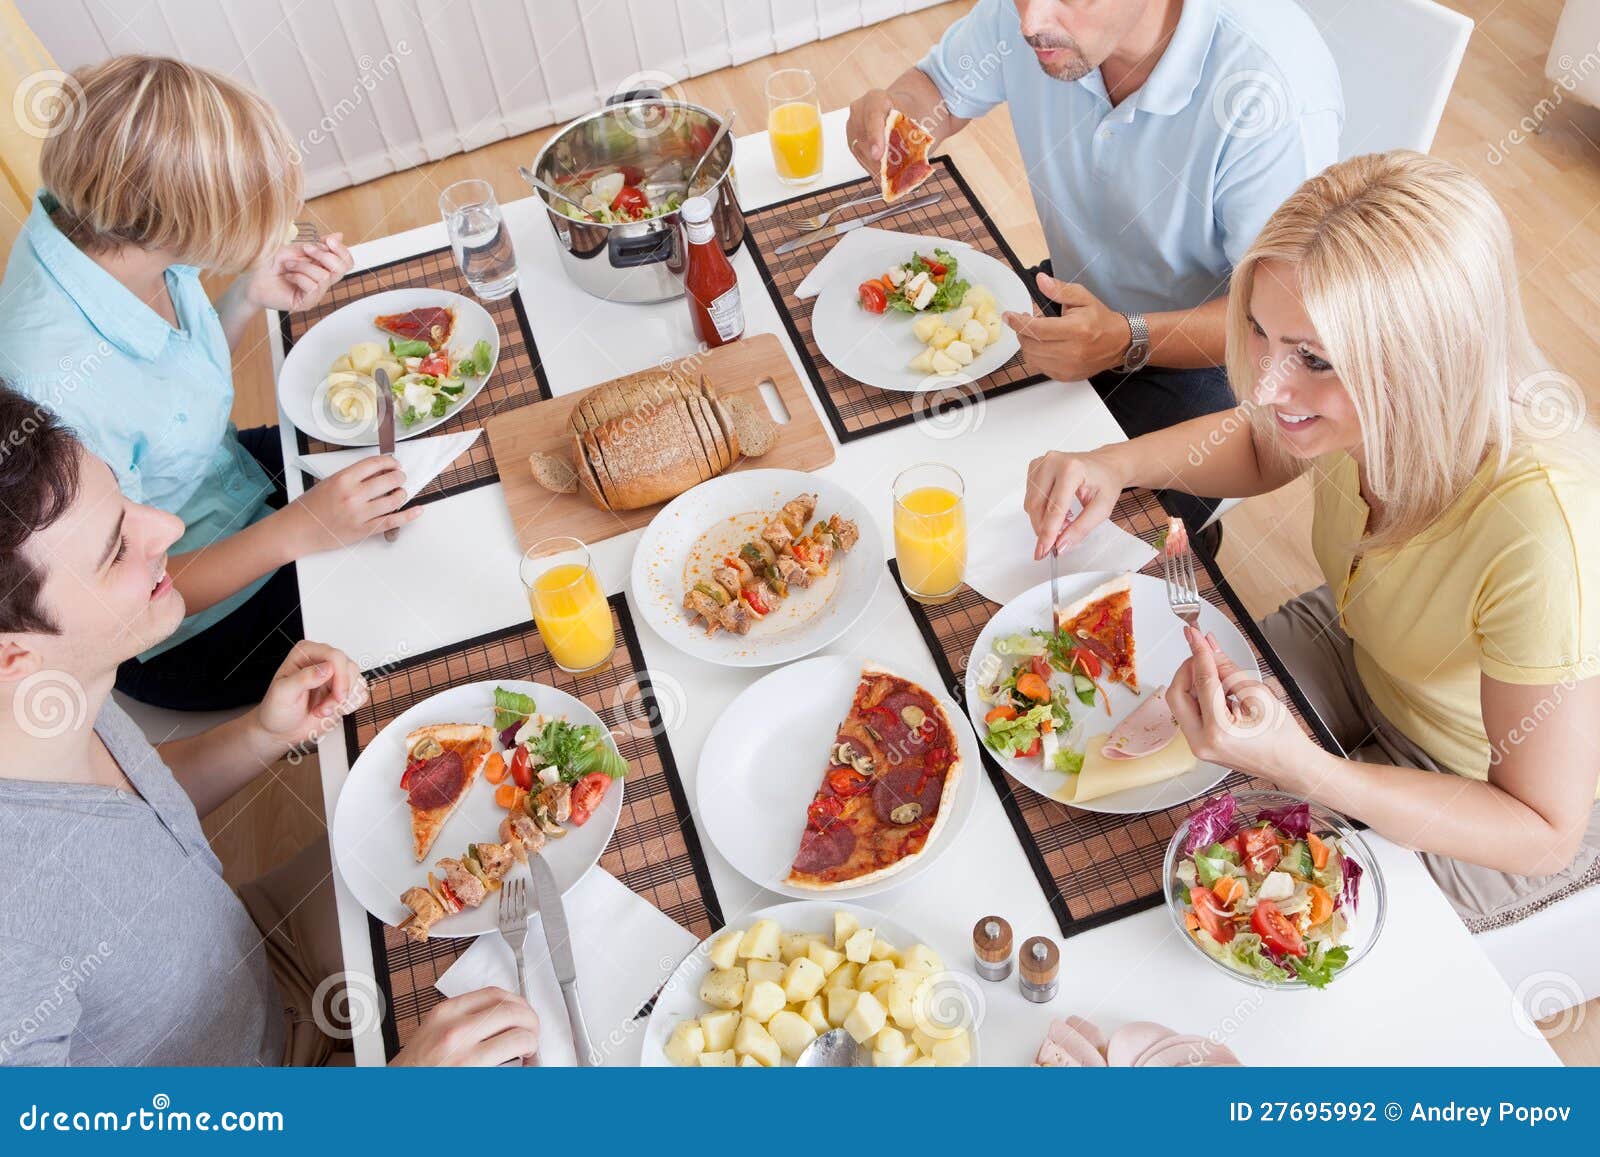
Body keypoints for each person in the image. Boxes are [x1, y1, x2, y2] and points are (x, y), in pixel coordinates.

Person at [1024, 151, 1600, 930]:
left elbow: (1541, 831)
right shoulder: (1351, 407)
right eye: (1261, 333)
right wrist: (1113, 463)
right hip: (1366, 645)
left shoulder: (1544, 535)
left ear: (1426, 365)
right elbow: (1266, 442)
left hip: (1487, 782)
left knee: (1262, 912)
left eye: (1315, 360)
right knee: (1146, 761)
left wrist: (1310, 772)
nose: (1267, 385)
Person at [0, 386, 537, 1066]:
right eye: (116, 551)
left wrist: (263, 733)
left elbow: (122, 815)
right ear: (13, 655)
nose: (166, 527)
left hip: (259, 947)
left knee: (526, 831)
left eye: (126, 504)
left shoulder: (53, 685)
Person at [0, 55, 421, 713]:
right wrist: (299, 529)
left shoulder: (105, 226)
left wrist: (248, 296)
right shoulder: (50, 388)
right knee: (417, 598)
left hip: (230, 485)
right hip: (187, 621)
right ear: (181, 222)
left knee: (419, 474)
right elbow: (123, 607)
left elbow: (170, 397)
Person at [847, 0, 1342, 534]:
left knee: (1055, 533)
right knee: (921, 442)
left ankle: (1190, 541)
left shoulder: (1272, 96)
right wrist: (897, 114)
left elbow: (1293, 325)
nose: (1030, 23)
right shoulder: (1035, 16)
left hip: (1224, 357)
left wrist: (1126, 337)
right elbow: (938, 88)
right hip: (1077, 299)